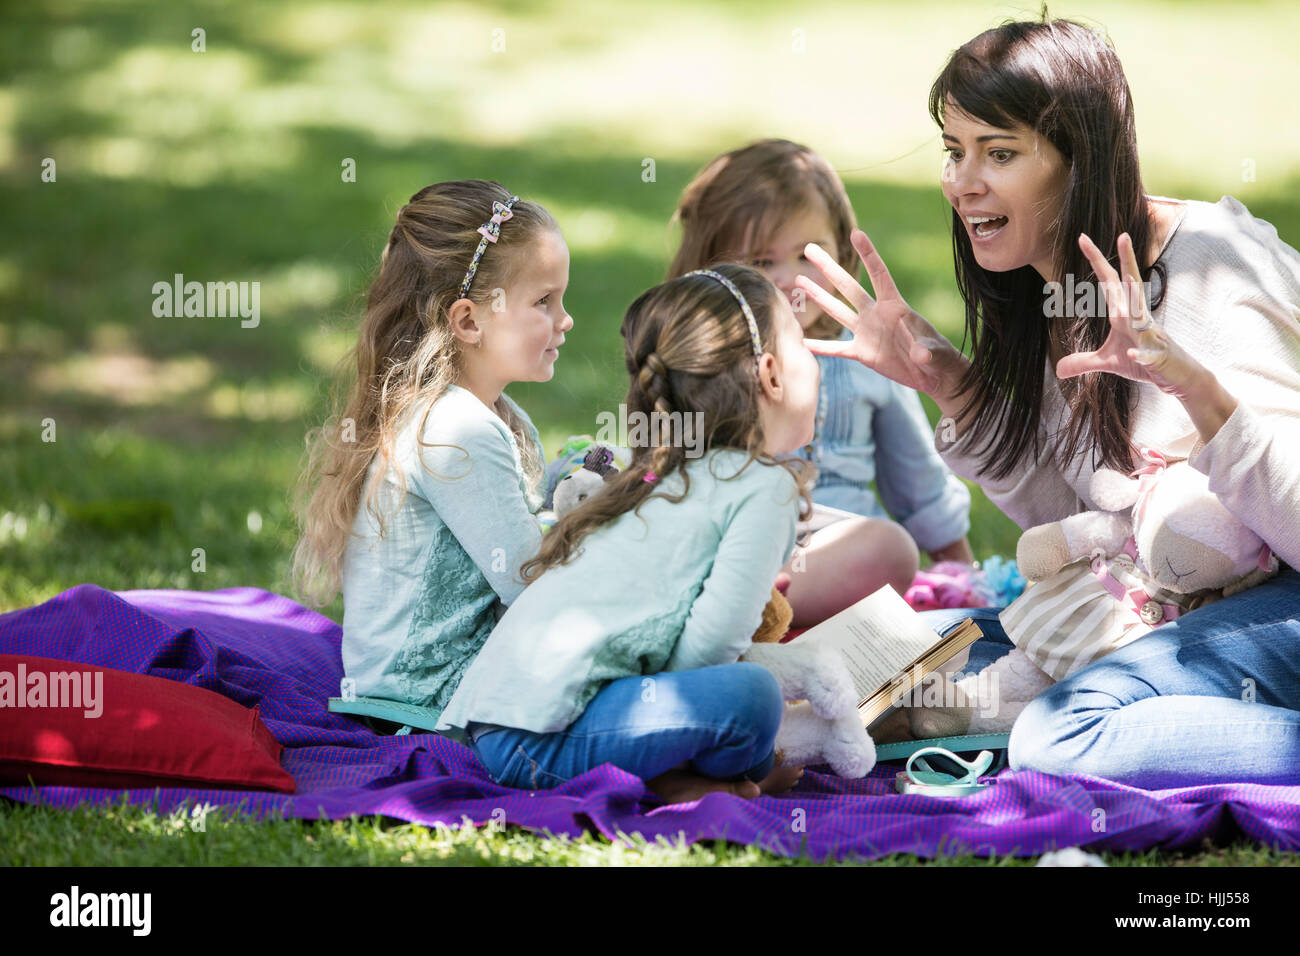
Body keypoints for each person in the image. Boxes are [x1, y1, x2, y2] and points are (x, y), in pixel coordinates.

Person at [799, 17, 1300, 786]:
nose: (964, 182)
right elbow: (1077, 523)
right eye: (954, 151)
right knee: (883, 656)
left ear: (1080, 160)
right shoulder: (1051, 286)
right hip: (1155, 603)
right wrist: (950, 381)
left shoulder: (1215, 270)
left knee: (1060, 739)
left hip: (1275, 603)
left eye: (999, 154)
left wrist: (1193, 386)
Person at [436, 264, 818, 803]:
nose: (816, 357)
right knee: (754, 696)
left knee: (741, 690)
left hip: (498, 723)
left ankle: (673, 778)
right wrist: (741, 738)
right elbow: (712, 644)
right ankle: (707, 782)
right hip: (544, 740)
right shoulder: (760, 487)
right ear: (773, 373)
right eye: (805, 342)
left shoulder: (659, 472)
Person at [289, 180, 573, 716]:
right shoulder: (454, 430)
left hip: (459, 682)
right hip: (434, 701)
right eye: (544, 301)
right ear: (468, 320)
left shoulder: (500, 418)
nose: (566, 319)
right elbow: (532, 589)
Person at [667, 139, 973, 626]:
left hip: (837, 559)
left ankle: (751, 618)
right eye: (762, 263)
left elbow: (916, 478)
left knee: (887, 550)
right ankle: (741, 612)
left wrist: (962, 575)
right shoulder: (698, 359)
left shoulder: (869, 356)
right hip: (732, 553)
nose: (791, 280)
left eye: (809, 255)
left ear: (840, 250)